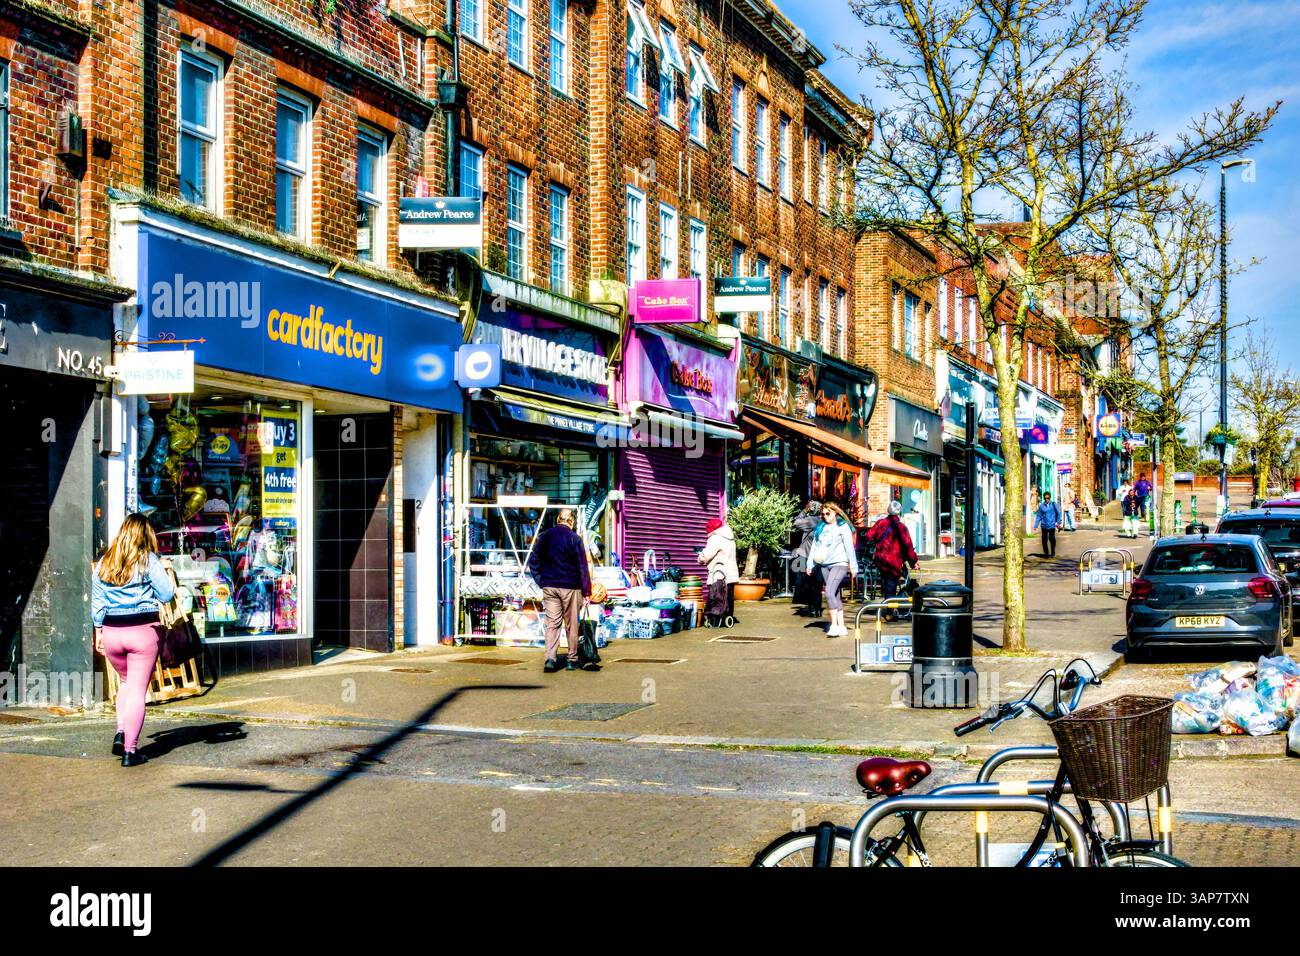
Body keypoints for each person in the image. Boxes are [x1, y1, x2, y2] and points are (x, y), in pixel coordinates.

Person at [91, 513, 176, 767]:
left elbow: (97, 601)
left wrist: (98, 632)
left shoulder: (105, 561)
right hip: (142, 633)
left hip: (112, 632)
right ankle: (130, 751)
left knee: (126, 684)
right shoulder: (148, 560)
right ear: (144, 534)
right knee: (138, 690)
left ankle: (121, 732)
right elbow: (167, 593)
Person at [527, 509, 593, 673]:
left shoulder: (545, 537)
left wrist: (541, 581)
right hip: (571, 587)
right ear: (571, 521)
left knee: (552, 624)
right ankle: (571, 660)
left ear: (558, 519)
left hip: (550, 586)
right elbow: (582, 567)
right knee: (572, 625)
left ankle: (550, 659)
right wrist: (586, 591)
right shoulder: (574, 539)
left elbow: (533, 561)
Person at [809, 503, 858, 637]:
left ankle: (834, 625)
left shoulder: (843, 527)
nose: (825, 517)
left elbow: (849, 548)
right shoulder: (821, 527)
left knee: (829, 592)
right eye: (823, 514)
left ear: (835, 513)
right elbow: (815, 546)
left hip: (839, 564)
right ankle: (841, 626)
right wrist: (809, 564)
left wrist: (853, 567)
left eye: (828, 513)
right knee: (835, 594)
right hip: (824, 564)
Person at [866, 501, 919, 623]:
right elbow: (908, 547)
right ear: (899, 512)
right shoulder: (901, 527)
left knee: (887, 585)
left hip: (880, 560)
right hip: (894, 561)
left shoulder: (880, 523)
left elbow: (868, 535)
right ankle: (888, 612)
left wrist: (877, 546)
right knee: (891, 586)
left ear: (888, 510)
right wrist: (913, 562)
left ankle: (888, 607)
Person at [699, 517, 740, 625]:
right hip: (731, 574)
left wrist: (700, 557)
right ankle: (727, 616)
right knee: (728, 597)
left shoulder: (716, 538)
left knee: (716, 596)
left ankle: (715, 617)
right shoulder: (729, 538)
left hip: (719, 574)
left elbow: (706, 555)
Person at [791, 499, 824, 617]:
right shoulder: (821, 521)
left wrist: (804, 511)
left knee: (807, 583)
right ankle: (816, 608)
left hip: (807, 555)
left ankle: (813, 609)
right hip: (818, 557)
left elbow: (796, 522)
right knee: (816, 584)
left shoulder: (812, 520)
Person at [1033, 491, 1062, 557]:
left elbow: (1058, 513)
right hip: (1044, 525)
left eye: (1048, 498)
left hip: (1052, 525)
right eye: (1045, 498)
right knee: (1044, 540)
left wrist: (1058, 522)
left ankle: (1052, 552)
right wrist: (1035, 525)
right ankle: (1046, 553)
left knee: (1052, 539)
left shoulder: (1054, 504)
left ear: (1050, 498)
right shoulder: (1041, 506)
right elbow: (1039, 516)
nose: (1047, 500)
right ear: (1044, 498)